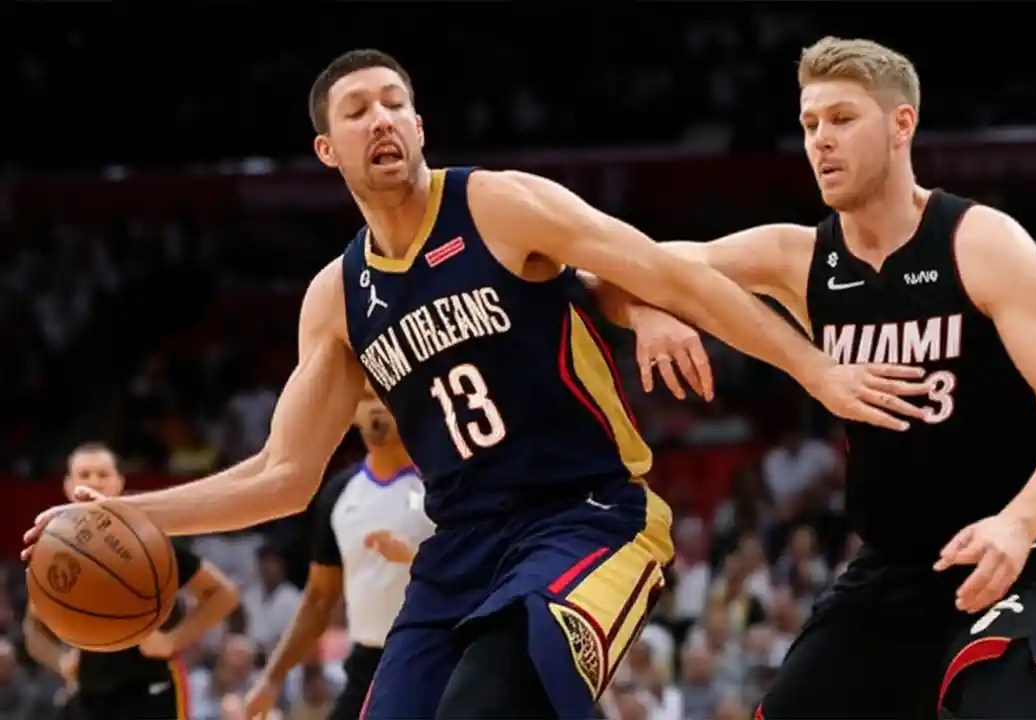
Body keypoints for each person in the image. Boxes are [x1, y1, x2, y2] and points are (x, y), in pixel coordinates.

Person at [25, 49, 930, 719]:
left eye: (396, 104)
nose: (381, 119)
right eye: (358, 110)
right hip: (460, 548)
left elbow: (668, 273)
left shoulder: (499, 204)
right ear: (326, 148)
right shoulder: (336, 299)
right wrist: (138, 517)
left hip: (588, 516)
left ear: (420, 126)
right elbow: (282, 475)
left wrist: (813, 368)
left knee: (488, 706)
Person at [592, 37, 1036, 718]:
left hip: (1028, 555)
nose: (820, 141)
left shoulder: (980, 241)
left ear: (902, 125)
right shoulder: (796, 255)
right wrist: (648, 311)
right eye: (810, 124)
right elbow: (605, 271)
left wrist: (1016, 525)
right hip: (895, 566)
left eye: (842, 120)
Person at [243, 385, 436, 719]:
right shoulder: (339, 492)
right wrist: (272, 679)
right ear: (350, 412)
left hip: (435, 654)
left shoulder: (441, 481)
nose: (375, 406)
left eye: (383, 394)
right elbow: (319, 597)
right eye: (364, 397)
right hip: (366, 662)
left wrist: (416, 557)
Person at [24, 443, 239, 720]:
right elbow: (33, 626)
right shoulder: (56, 551)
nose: (93, 481)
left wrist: (174, 640)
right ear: (68, 484)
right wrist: (61, 662)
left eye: (103, 474)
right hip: (89, 694)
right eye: (84, 474)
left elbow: (224, 593)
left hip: (150, 689)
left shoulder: (150, 543)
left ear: (120, 482)